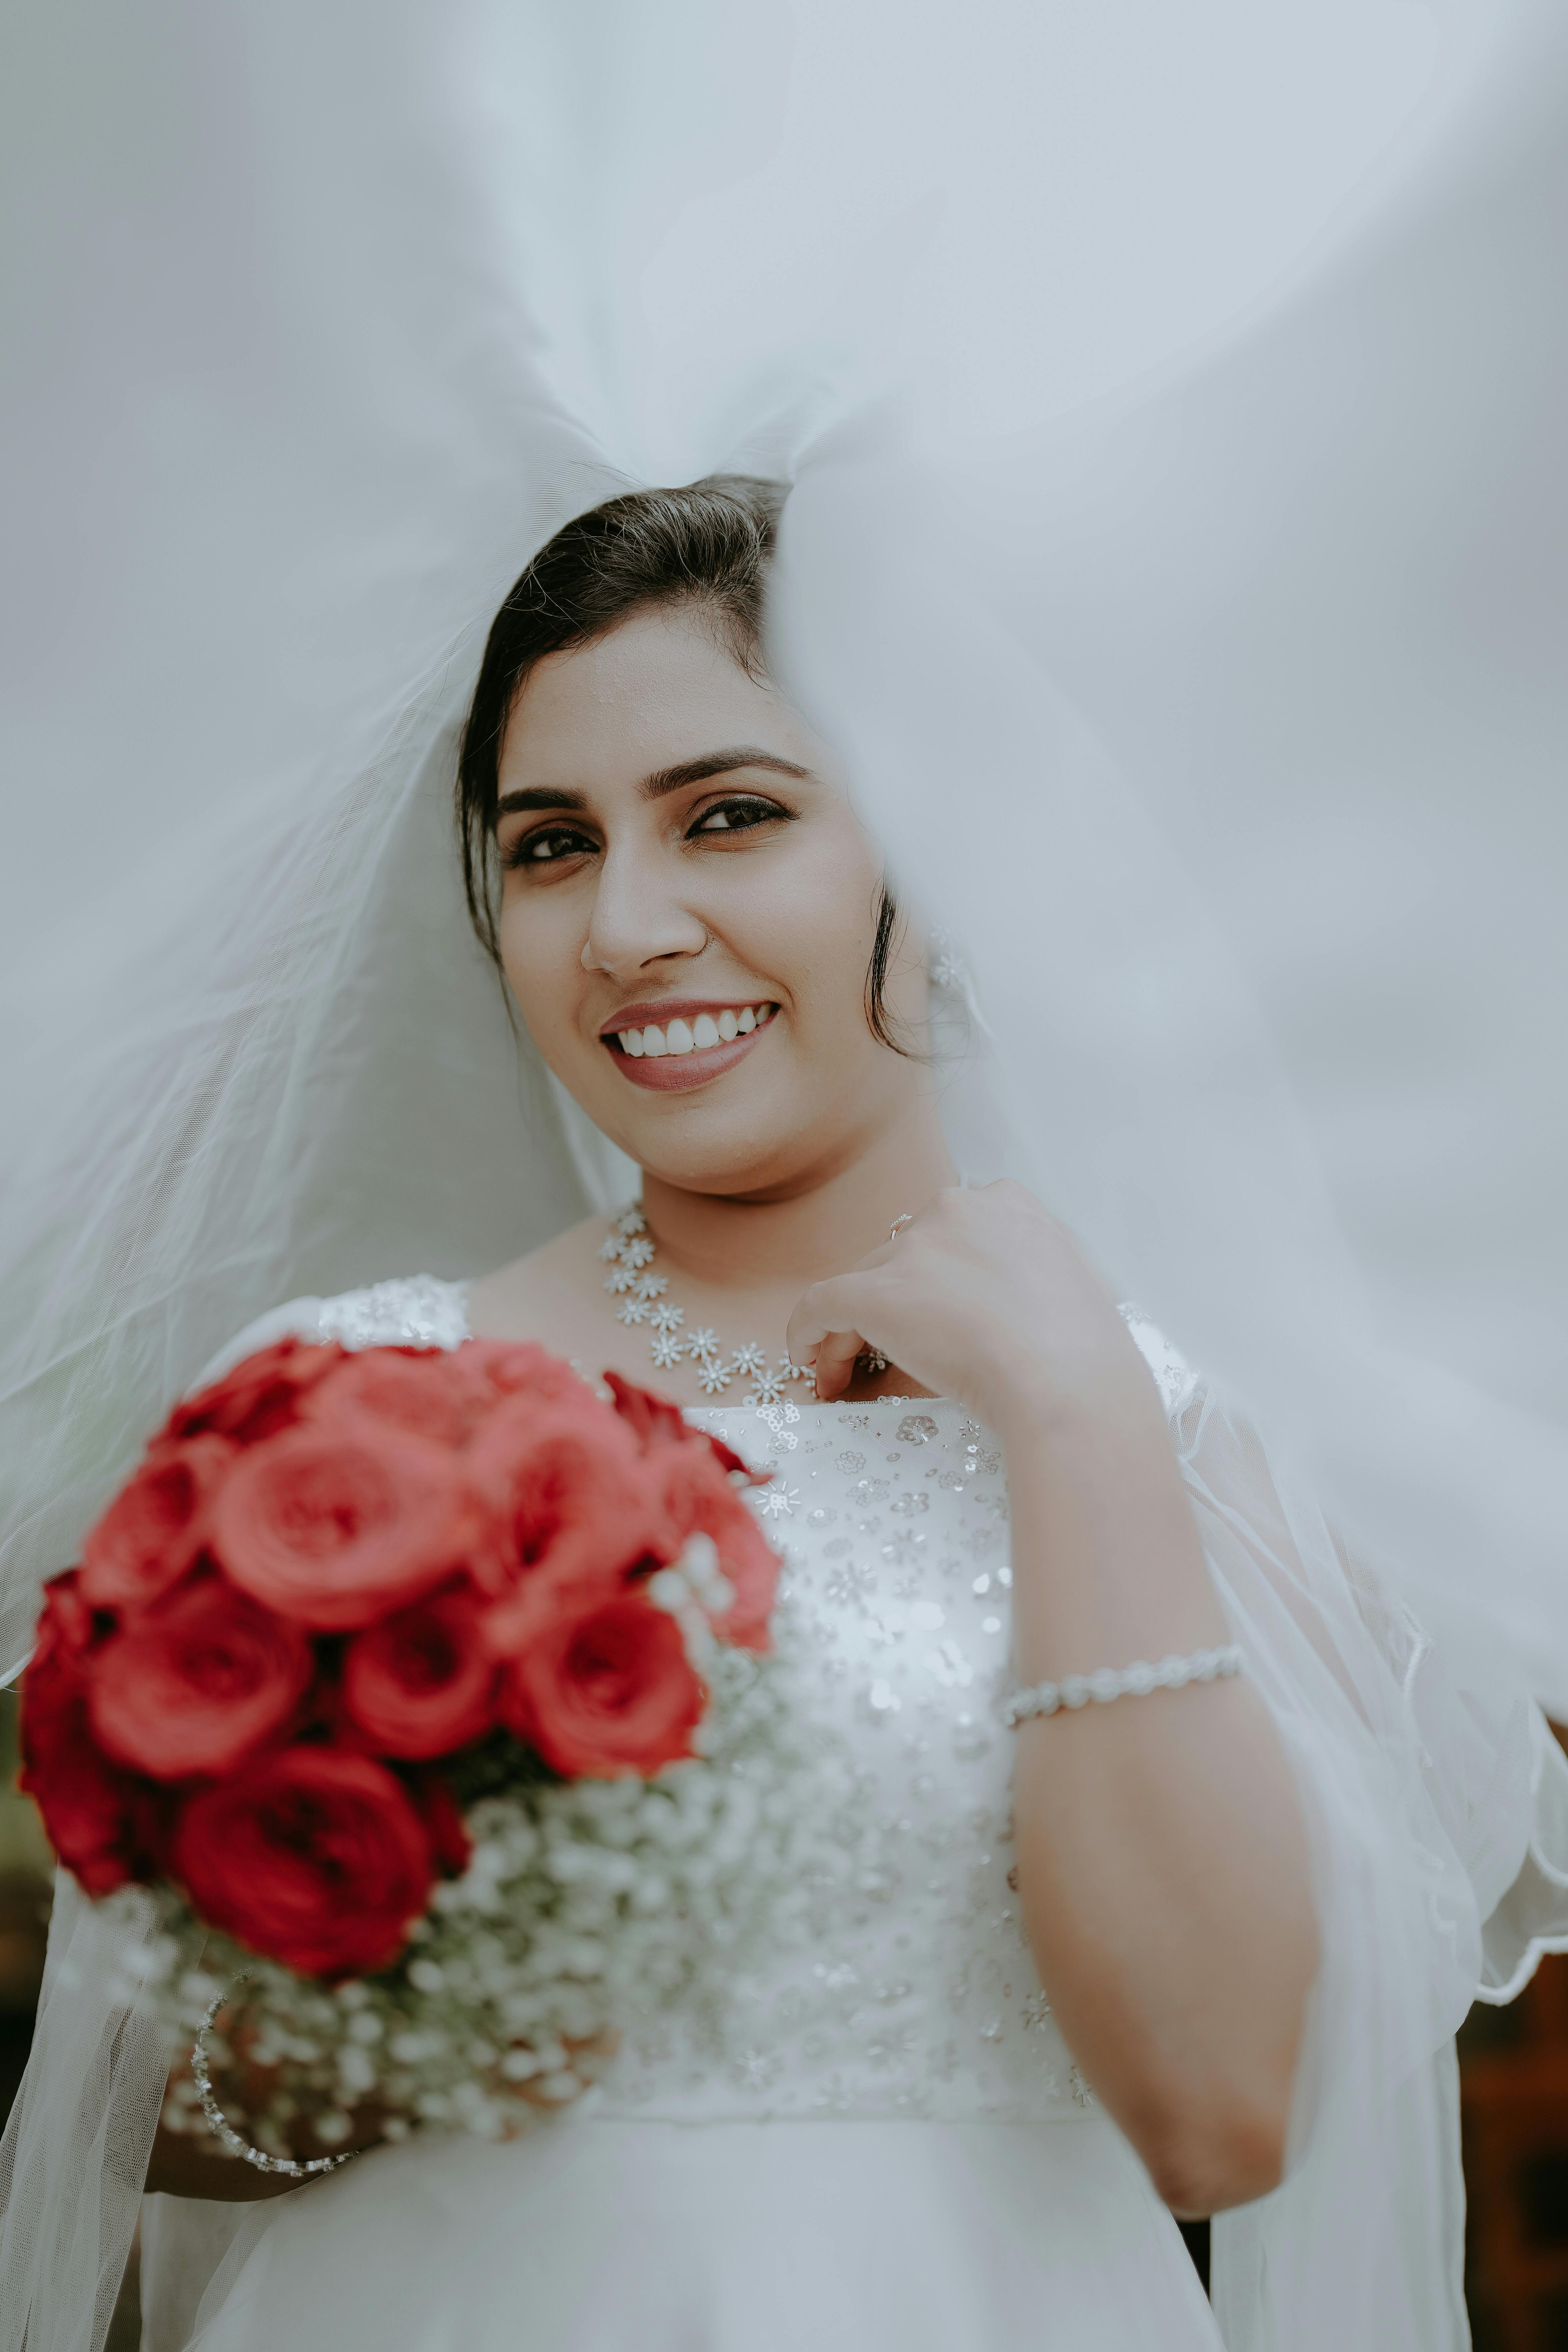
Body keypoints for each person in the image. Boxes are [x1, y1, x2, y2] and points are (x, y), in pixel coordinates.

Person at [117, 480, 1566, 2352]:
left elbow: (1217, 2111)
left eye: (730, 815)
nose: (627, 926)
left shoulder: (1182, 1417)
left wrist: (1067, 1409)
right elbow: (149, 2115)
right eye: (551, 846)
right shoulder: (346, 1406)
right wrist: (423, 2017)